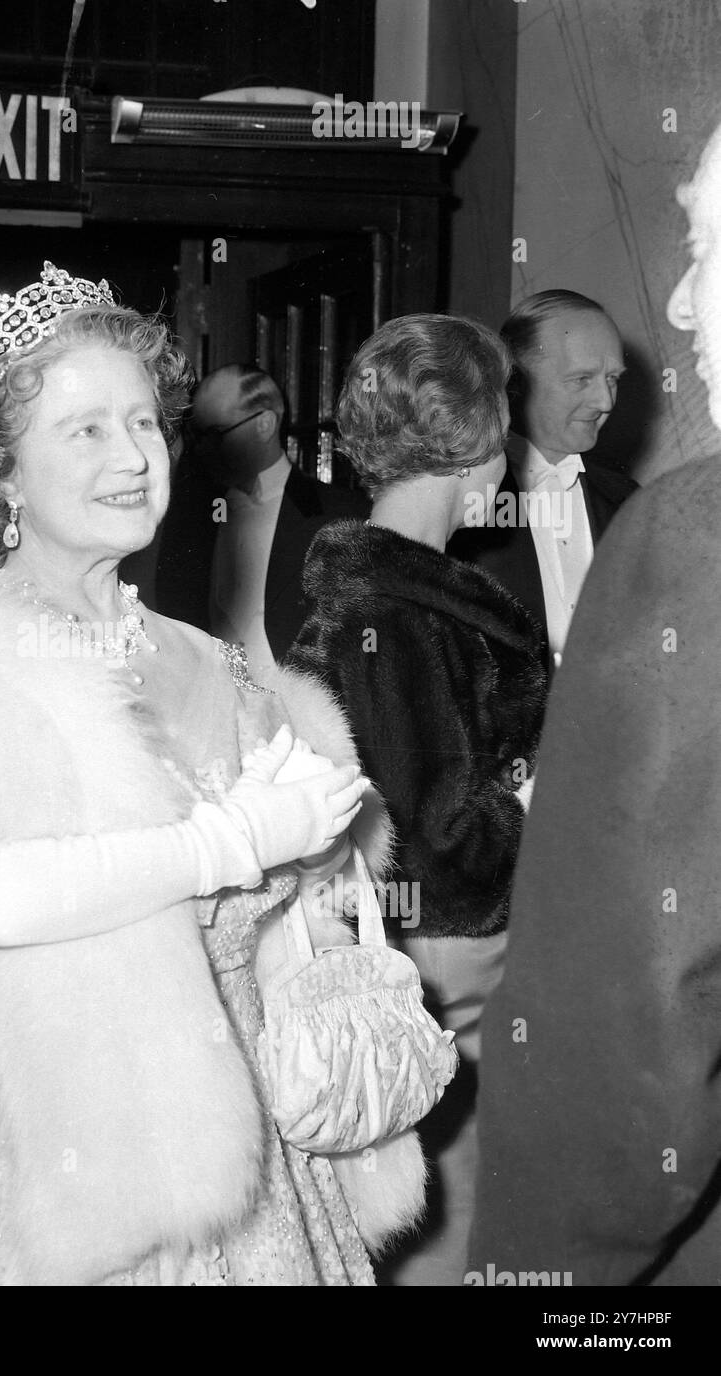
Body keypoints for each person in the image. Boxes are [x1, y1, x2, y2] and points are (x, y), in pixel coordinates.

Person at [0, 262, 423, 1287]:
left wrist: (314, 850)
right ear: (2, 472)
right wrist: (233, 840)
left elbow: (270, 914)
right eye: (84, 429)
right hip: (38, 1147)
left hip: (241, 1145)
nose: (132, 456)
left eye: (143, 422)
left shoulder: (207, 658)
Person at [467, 118, 721, 1287]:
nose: (612, 390)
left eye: (614, 380)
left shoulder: (657, 515)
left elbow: (637, 1000)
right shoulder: (457, 519)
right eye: (583, 377)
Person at [289, 314, 548, 1287]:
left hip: (434, 949)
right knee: (454, 1220)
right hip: (447, 958)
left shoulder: (389, 596)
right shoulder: (394, 614)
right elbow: (440, 843)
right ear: (472, 440)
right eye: (502, 416)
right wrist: (536, 798)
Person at [450, 290, 637, 675]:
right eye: (581, 379)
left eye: (612, 379)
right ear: (516, 381)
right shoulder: (461, 499)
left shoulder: (628, 501)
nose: (605, 400)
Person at [190, 365, 367, 678]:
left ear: (264, 424)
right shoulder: (186, 513)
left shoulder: (344, 514)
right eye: (195, 435)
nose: (199, 449)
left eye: (213, 434)